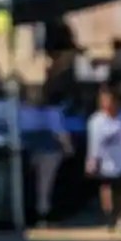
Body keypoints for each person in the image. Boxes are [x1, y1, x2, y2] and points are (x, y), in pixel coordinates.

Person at [86, 86, 121, 232]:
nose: (107, 104)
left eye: (109, 100)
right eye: (103, 100)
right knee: (107, 190)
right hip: (106, 162)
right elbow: (93, 143)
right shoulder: (95, 121)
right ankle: (109, 216)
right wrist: (92, 161)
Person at [19, 97, 72, 227]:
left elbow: (61, 133)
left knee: (43, 185)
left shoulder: (51, 112)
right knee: (43, 185)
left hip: (46, 152)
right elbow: (61, 133)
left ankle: (41, 215)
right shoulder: (19, 110)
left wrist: (67, 148)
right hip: (35, 151)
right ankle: (40, 215)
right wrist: (68, 148)